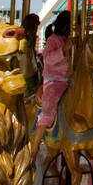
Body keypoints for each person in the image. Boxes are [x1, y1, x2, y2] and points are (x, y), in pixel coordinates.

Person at [29, 12, 72, 159]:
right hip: (54, 80)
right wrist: (64, 49)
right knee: (49, 107)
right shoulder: (54, 40)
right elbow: (48, 59)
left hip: (69, 80)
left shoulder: (71, 41)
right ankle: (34, 148)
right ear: (65, 26)